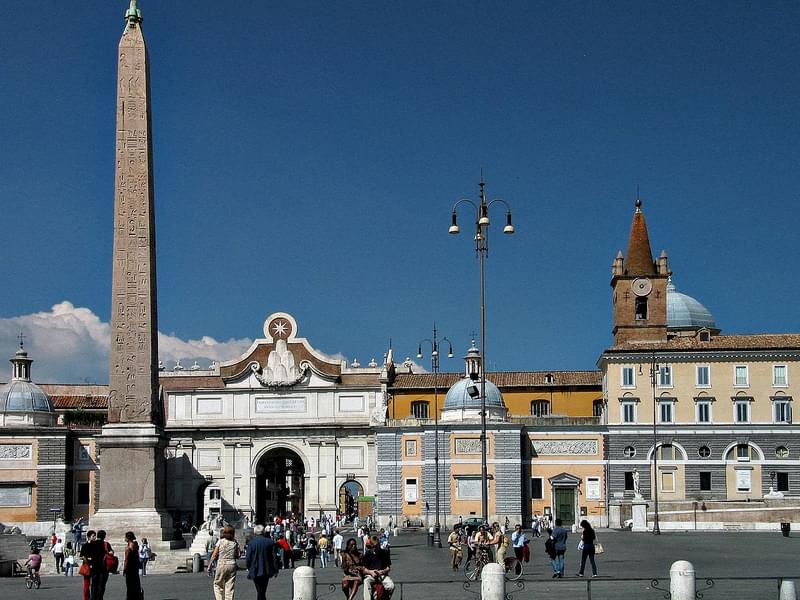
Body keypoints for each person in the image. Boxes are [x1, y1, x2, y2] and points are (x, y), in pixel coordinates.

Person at [246, 525, 278, 600]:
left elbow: (248, 558)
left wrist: (249, 567)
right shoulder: (270, 542)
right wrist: (275, 569)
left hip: (255, 568)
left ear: (254, 532)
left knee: (260, 590)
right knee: (262, 590)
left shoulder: (251, 543)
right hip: (267, 569)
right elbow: (274, 557)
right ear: (263, 532)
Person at [208, 525, 241, 600]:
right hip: (232, 564)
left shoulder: (220, 541)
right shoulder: (235, 542)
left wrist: (210, 565)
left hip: (222, 563)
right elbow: (238, 555)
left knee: (218, 584)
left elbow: (214, 555)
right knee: (230, 586)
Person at [362, 534, 394, 600]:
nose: (377, 547)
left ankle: (386, 598)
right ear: (371, 546)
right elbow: (364, 569)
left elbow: (388, 567)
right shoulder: (367, 554)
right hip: (371, 574)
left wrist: (382, 571)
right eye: (375, 546)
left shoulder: (384, 553)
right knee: (366, 582)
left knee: (391, 586)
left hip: (382, 574)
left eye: (377, 545)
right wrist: (371, 572)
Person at [123, 531, 142, 600]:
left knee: (130, 585)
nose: (124, 538)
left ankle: (130, 598)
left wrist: (124, 569)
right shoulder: (135, 545)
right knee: (136, 583)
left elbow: (126, 559)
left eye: (125, 537)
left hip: (129, 568)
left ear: (128, 538)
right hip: (135, 567)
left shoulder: (128, 548)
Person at [79, 530, 97, 600]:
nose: (95, 537)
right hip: (87, 566)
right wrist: (85, 558)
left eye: (95, 535)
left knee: (95, 584)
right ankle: (86, 598)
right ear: (89, 537)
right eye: (93, 536)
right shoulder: (85, 546)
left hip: (95, 566)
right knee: (86, 584)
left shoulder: (96, 545)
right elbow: (81, 556)